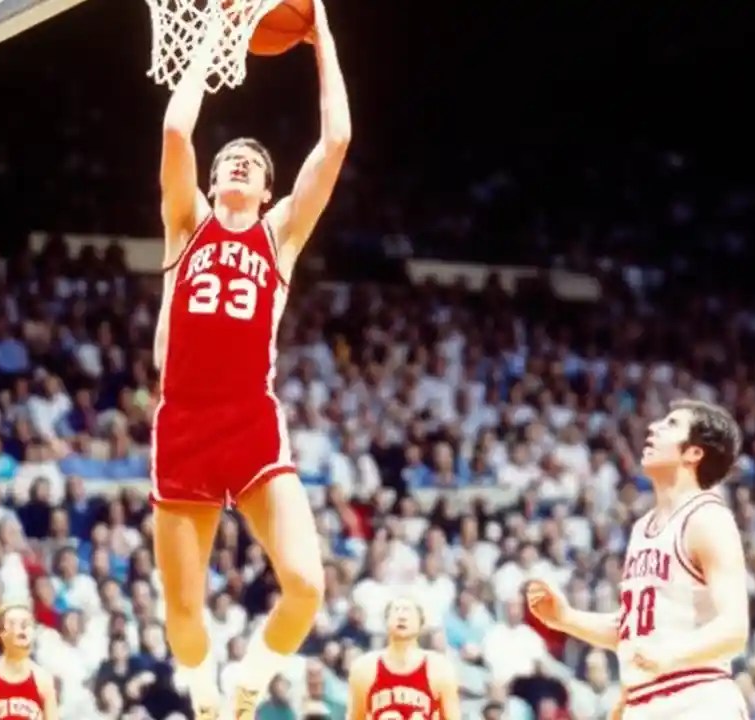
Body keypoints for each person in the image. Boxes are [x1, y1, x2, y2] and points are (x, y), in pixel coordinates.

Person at [150, 0, 351, 717]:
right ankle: (204, 693)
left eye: (252, 164)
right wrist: (212, 32)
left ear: (269, 191)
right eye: (229, 158)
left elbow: (336, 142)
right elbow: (178, 129)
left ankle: (250, 682)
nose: (237, 162)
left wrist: (321, 32)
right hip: (183, 422)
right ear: (212, 180)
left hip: (251, 420)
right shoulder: (186, 225)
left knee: (307, 584)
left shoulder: (279, 238)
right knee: (183, 614)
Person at [526, 399, 750, 720]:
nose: (653, 428)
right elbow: (635, 630)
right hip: (645, 701)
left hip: (697, 698)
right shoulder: (643, 527)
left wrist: (666, 657)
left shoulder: (708, 518)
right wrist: (565, 617)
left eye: (671, 424)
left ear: (694, 453)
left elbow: (734, 628)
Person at [347, 597, 461, 720]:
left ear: (421, 624)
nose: (402, 617)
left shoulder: (440, 668)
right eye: (396, 611)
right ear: (386, 621)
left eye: (408, 612)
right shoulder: (364, 668)